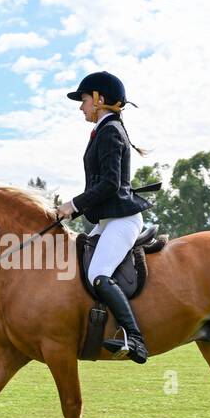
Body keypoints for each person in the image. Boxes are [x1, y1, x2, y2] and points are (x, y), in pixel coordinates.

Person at [56, 71, 153, 363]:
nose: (81, 106)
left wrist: (73, 205)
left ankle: (135, 338)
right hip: (107, 221)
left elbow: (110, 184)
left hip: (122, 220)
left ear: (98, 99)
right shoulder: (104, 129)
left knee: (98, 274)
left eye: (84, 99)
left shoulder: (110, 131)